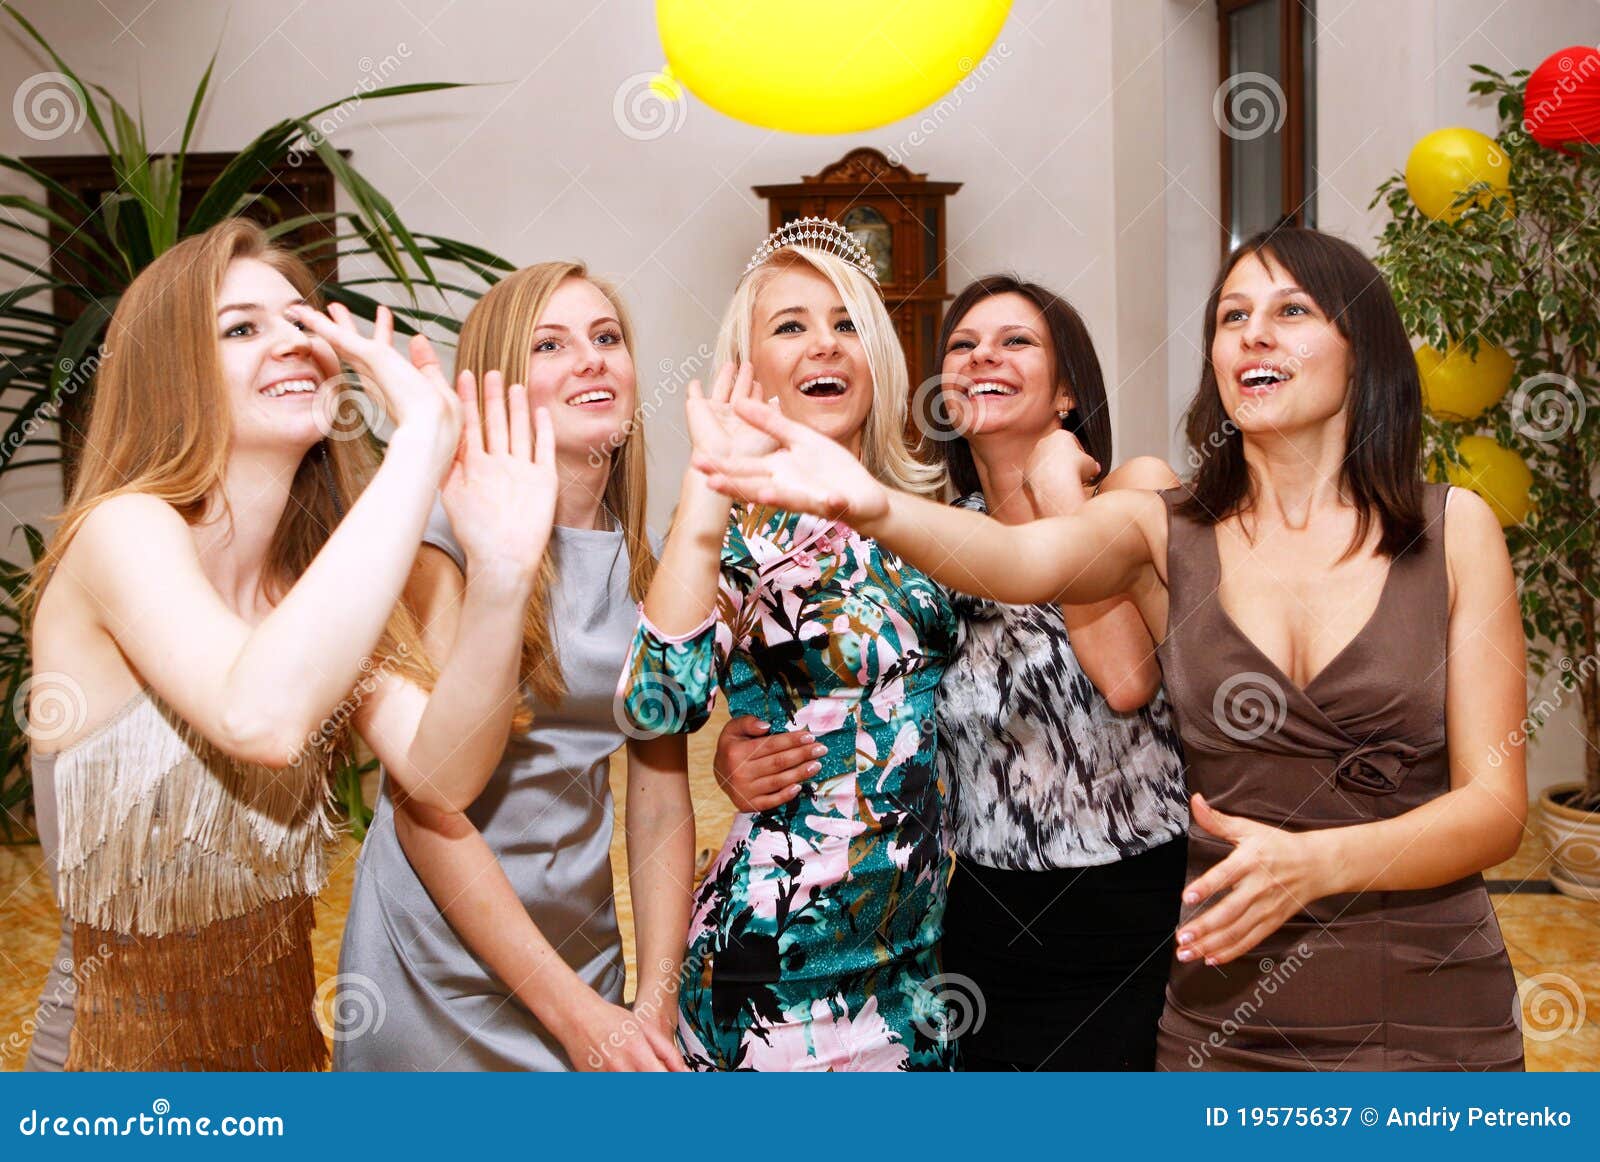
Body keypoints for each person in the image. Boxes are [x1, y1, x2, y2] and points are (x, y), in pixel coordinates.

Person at [694, 226, 1528, 1071]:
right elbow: (1008, 571)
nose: (1254, 333)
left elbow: (1496, 807)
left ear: (1365, 349)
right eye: (1232, 316)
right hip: (1215, 990)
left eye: (1291, 310)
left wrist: (1314, 864)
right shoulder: (1164, 529)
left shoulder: (1453, 532)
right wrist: (869, 505)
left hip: (1421, 985)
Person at [22, 218, 557, 1070]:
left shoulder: (318, 584)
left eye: (303, 319)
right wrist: (419, 440)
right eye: (242, 327)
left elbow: (442, 775)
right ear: (173, 374)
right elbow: (259, 716)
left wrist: (500, 571)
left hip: (283, 1067)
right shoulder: (121, 533)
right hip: (111, 1079)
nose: (294, 342)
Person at [336, 262, 694, 1072]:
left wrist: (654, 998)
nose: (593, 359)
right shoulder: (438, 543)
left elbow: (658, 790)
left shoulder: (646, 563)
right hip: (440, 963)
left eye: (607, 338)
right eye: (552, 345)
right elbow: (428, 809)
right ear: (496, 387)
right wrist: (571, 1017)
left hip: (582, 943)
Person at [618, 219, 957, 1070]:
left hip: (916, 965)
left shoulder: (927, 517)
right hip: (772, 959)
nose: (825, 347)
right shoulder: (731, 537)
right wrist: (708, 484)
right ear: (750, 369)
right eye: (791, 326)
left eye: (847, 325)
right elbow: (656, 707)